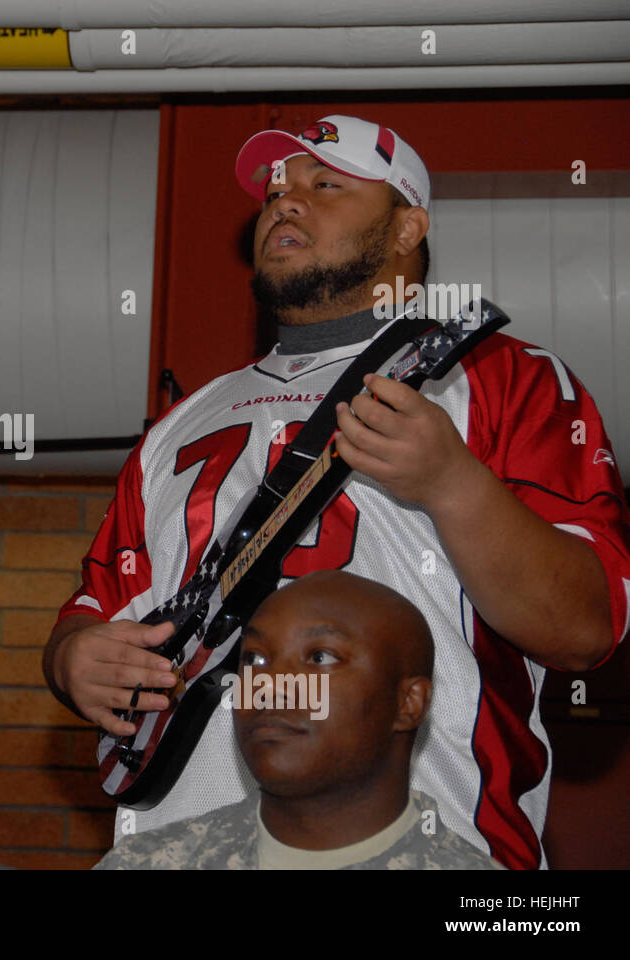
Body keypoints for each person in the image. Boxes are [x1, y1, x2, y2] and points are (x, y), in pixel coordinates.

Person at [45, 114, 630, 870]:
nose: (285, 202)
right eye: (275, 191)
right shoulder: (182, 421)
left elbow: (586, 628)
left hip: (423, 844)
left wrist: (453, 485)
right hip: (173, 847)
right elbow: (95, 610)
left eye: (326, 185)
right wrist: (73, 661)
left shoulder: (502, 379)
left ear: (406, 227)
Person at [96, 571, 503, 869]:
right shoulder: (144, 864)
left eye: (320, 658)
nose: (271, 686)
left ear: (407, 703)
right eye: (255, 659)